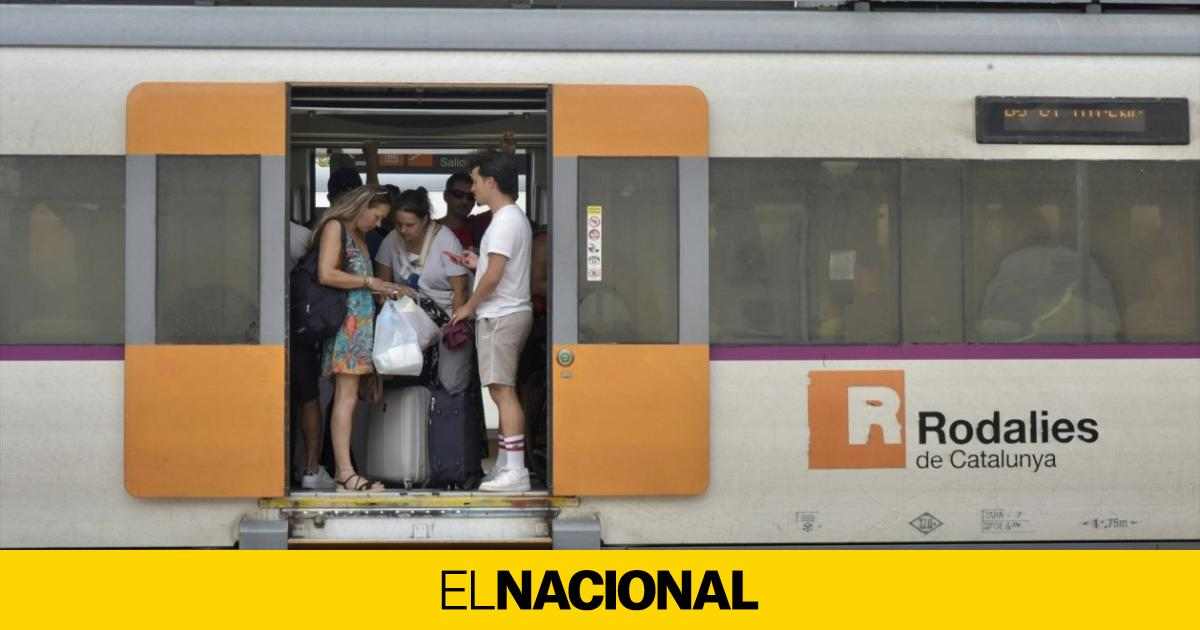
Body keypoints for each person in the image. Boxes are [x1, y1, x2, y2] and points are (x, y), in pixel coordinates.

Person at [449, 150, 534, 492]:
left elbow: (495, 275)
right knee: (502, 389)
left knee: (502, 390)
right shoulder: (512, 219)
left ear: (491, 182)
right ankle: (505, 465)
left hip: (501, 314)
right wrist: (476, 263)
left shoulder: (503, 221)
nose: (472, 189)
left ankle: (516, 471)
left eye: (474, 181)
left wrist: (468, 306)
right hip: (509, 311)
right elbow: (495, 269)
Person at [312, 185, 405, 492]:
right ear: (361, 206)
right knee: (346, 398)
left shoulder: (358, 236)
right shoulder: (335, 228)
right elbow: (326, 273)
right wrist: (369, 281)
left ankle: (347, 469)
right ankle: (345, 472)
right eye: (376, 216)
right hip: (348, 326)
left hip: (361, 324)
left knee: (352, 399)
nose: (378, 224)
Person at [375, 187, 473, 393]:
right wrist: (395, 294)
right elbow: (381, 287)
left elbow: (460, 290)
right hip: (408, 317)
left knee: (451, 382)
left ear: (426, 220)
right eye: (398, 224)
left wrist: (455, 328)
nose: (403, 230)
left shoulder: (446, 239)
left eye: (409, 225)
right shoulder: (391, 240)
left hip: (446, 315)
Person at [438, 171, 491, 252]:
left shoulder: (479, 224)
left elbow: (505, 201)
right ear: (446, 196)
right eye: (458, 194)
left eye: (471, 196)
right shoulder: (429, 228)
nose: (465, 201)